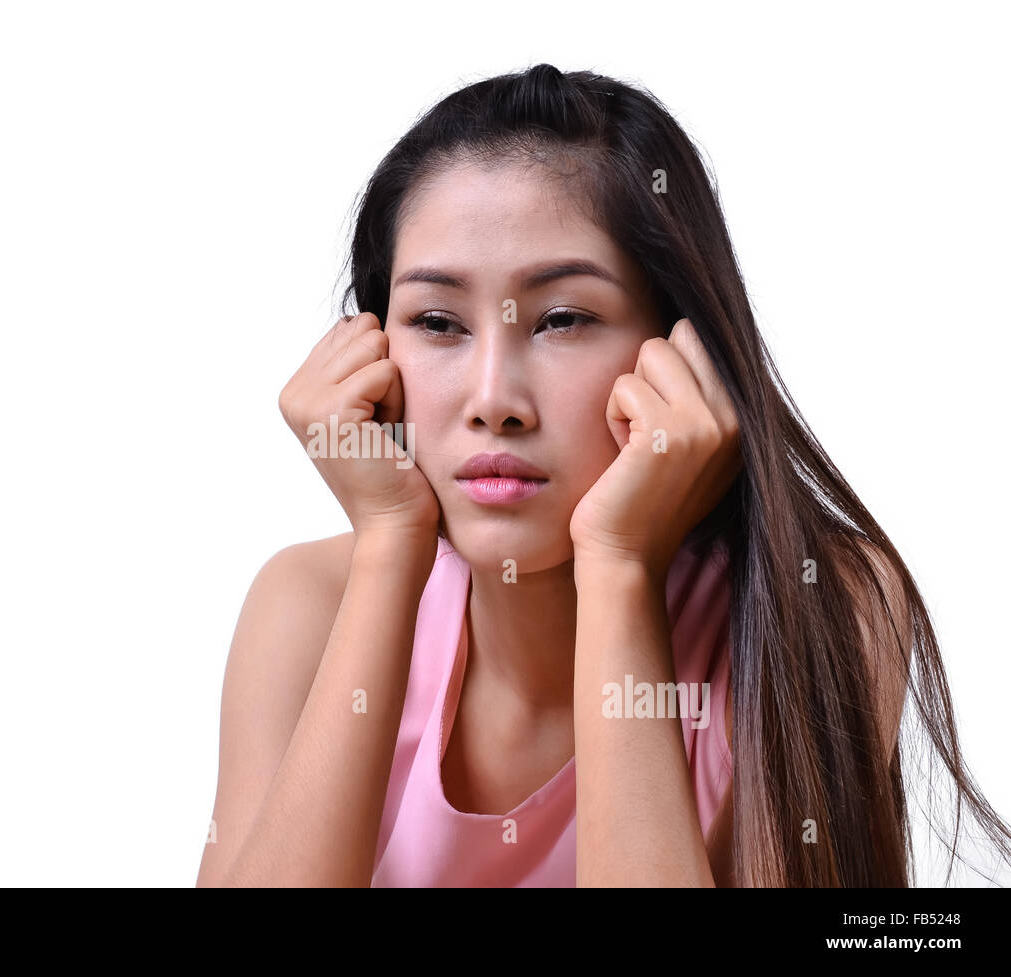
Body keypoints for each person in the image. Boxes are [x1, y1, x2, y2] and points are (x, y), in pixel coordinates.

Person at [195, 63, 1011, 887]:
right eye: (437, 322)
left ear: (680, 349)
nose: (494, 400)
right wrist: (390, 543)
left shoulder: (820, 606)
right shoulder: (307, 607)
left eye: (563, 320)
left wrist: (620, 566)